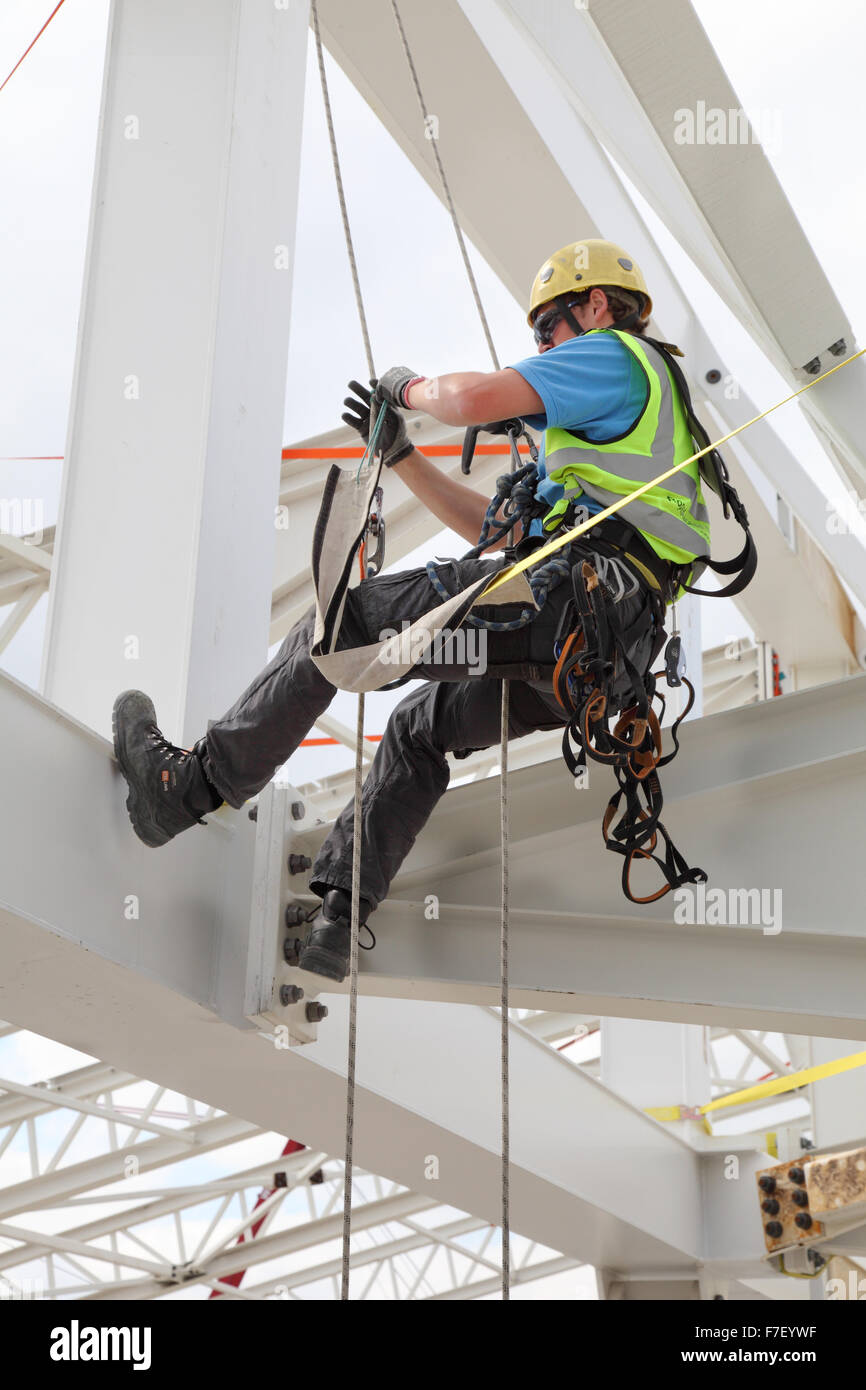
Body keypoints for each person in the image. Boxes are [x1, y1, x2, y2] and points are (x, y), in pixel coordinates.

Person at [113, 239, 711, 981]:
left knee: (347, 624)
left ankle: (194, 786)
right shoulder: (619, 455)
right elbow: (502, 535)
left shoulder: (615, 355)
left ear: (594, 307)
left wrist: (409, 389)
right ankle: (340, 913)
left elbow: (468, 400)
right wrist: (402, 457)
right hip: (581, 665)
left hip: (562, 612)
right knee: (418, 728)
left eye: (547, 329)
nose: (542, 348)